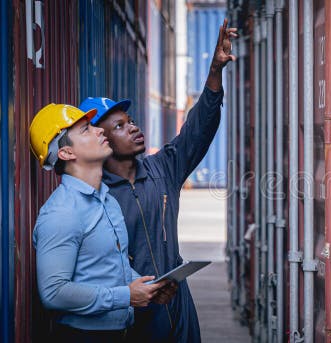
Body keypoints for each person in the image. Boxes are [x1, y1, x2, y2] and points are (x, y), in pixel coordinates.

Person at [78, 19, 238, 342]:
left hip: (178, 312)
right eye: (120, 127)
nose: (134, 128)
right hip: (132, 321)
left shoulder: (162, 169)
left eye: (132, 121)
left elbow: (198, 130)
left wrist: (214, 73)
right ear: (101, 140)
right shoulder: (96, 197)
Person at [29, 103, 177, 342]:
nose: (99, 131)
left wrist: (148, 287)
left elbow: (109, 267)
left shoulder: (107, 200)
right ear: (67, 153)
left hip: (120, 333)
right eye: (86, 130)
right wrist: (126, 296)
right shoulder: (62, 213)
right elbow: (54, 292)